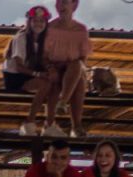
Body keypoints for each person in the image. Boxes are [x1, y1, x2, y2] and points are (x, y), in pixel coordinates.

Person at [41, 0, 92, 137]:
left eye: (64, 2)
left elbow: (83, 58)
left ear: (74, 5)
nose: (60, 6)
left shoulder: (81, 30)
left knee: (77, 72)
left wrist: (73, 68)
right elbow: (42, 56)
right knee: (69, 79)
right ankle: (67, 124)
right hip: (53, 67)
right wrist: (50, 67)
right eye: (58, 3)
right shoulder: (49, 27)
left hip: (72, 69)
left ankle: (63, 103)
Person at [4, 6, 54, 136]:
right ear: (29, 22)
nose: (38, 24)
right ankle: (29, 122)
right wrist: (39, 74)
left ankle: (50, 124)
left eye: (42, 21)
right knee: (45, 84)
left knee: (53, 83)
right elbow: (19, 67)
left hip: (30, 75)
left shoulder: (45, 40)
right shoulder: (21, 38)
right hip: (15, 77)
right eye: (35, 20)